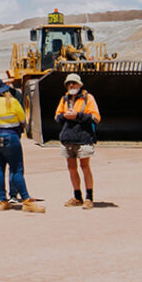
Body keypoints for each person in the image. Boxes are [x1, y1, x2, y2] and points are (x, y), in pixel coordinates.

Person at [0, 78, 44, 213]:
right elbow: (23, 118)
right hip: (9, 137)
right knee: (17, 169)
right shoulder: (12, 102)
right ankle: (26, 200)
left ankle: (2, 200)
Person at [55, 73, 99, 209]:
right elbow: (57, 117)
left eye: (73, 83)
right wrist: (65, 116)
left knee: (85, 167)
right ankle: (77, 196)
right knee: (71, 168)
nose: (71, 85)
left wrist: (78, 115)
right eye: (68, 83)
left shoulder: (88, 98)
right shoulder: (64, 99)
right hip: (68, 139)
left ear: (80, 84)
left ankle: (89, 197)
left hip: (83, 138)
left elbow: (95, 117)